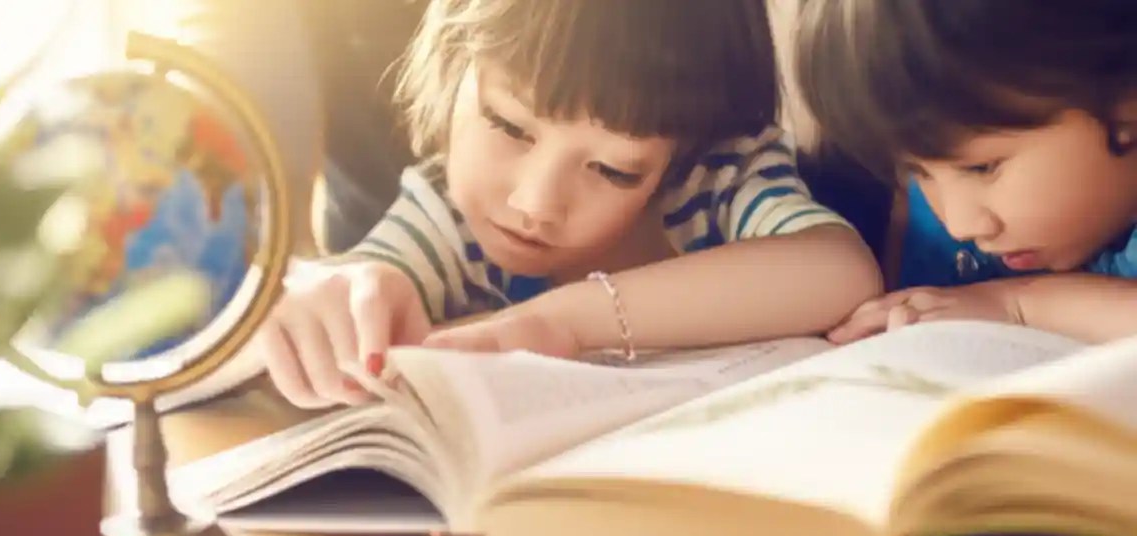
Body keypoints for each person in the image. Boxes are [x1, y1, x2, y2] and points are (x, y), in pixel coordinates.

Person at [257, 0, 881, 409]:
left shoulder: (712, 181)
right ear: (450, 64)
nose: (534, 203)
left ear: (685, 152)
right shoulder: (445, 212)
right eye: (508, 126)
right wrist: (338, 294)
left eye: (613, 169)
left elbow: (838, 271)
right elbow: (365, 286)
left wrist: (563, 323)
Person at [793, 0, 1137, 345]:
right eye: (918, 172)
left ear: (1126, 97)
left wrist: (1016, 305)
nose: (959, 226)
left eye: (981, 168)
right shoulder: (915, 218)